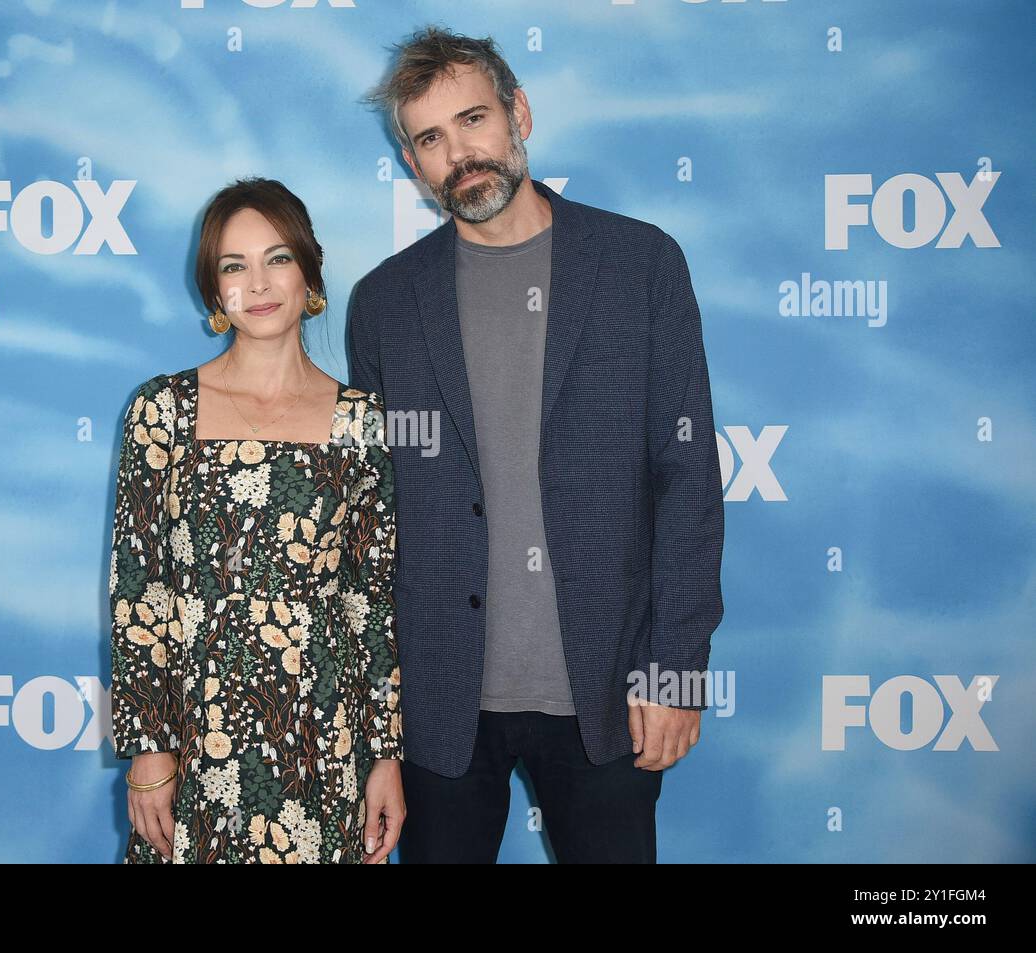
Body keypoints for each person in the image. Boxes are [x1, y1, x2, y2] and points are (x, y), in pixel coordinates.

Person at [350, 26, 725, 862]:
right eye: (431, 138)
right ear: (413, 164)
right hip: (440, 706)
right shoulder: (383, 303)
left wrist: (676, 671)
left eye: (474, 119)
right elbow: (372, 523)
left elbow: (688, 478)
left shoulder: (640, 265)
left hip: (609, 691)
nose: (460, 153)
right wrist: (374, 719)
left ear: (519, 113)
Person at [108, 177, 405, 863]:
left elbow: (373, 605)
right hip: (197, 740)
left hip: (323, 743)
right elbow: (139, 594)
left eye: (277, 258)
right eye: (233, 266)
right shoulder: (163, 411)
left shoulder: (362, 421)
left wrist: (384, 756)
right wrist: (149, 753)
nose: (259, 282)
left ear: (309, 271)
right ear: (215, 292)